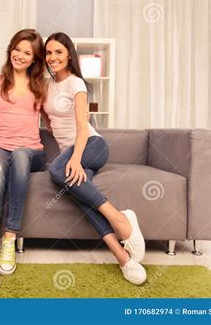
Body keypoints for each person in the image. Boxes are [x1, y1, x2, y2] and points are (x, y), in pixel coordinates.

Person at [42, 32, 147, 285]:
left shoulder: (76, 83)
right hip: (74, 150)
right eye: (48, 52)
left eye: (58, 52)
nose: (52, 57)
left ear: (69, 54)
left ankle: (120, 218)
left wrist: (75, 159)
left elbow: (81, 126)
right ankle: (122, 257)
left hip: (92, 145)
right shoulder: (47, 84)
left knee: (58, 170)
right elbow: (49, 116)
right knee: (80, 193)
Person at [0, 29, 47, 292]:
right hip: (0, 147)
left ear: (34, 59)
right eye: (17, 49)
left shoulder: (41, 86)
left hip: (32, 152)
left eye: (27, 52)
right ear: (10, 50)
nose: (20, 55)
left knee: (19, 154)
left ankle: (9, 237)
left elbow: (56, 120)